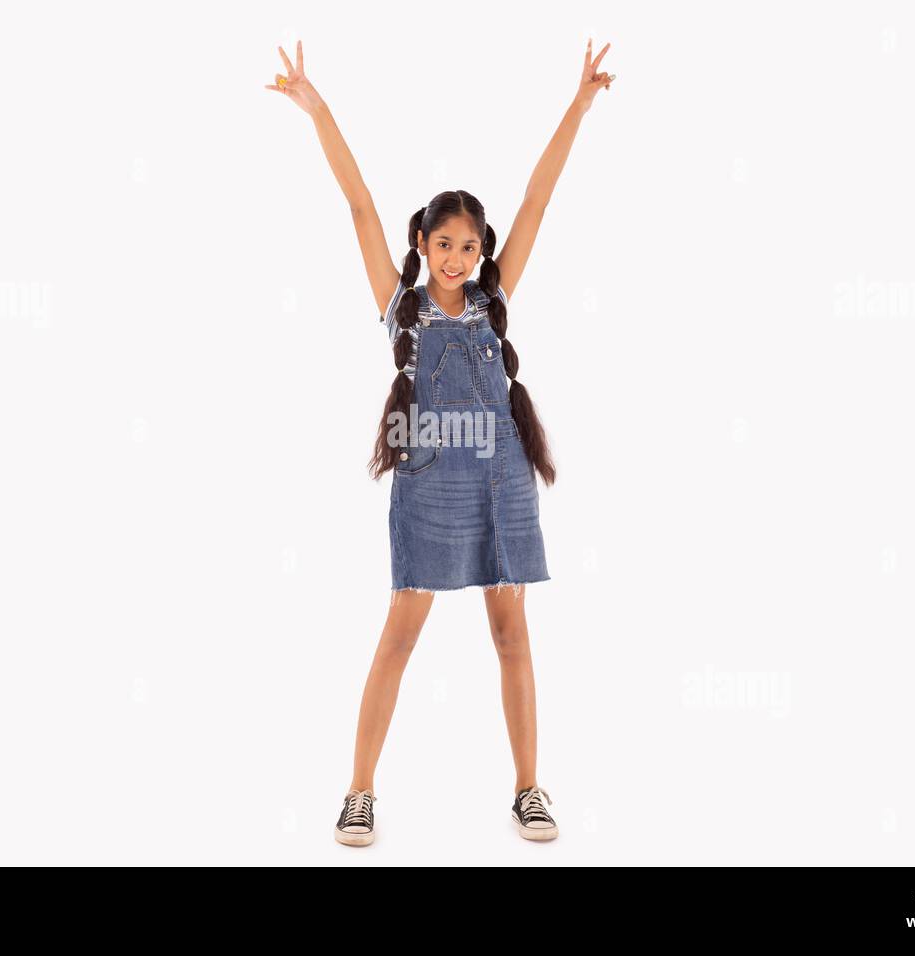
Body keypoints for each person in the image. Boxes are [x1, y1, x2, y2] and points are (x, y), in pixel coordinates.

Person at [265, 38, 615, 845]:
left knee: (510, 633)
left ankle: (529, 788)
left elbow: (536, 200)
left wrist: (579, 105)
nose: (457, 257)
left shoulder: (493, 304)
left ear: (480, 252)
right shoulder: (403, 308)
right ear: (422, 244)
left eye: (470, 246)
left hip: (502, 481)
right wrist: (317, 109)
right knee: (398, 634)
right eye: (444, 244)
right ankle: (359, 792)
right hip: (428, 486)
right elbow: (357, 202)